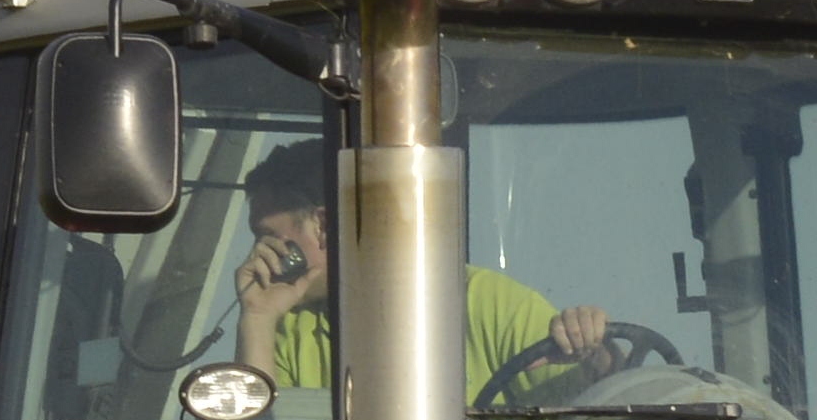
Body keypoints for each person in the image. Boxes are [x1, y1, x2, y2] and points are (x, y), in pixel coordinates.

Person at [232, 140, 621, 401]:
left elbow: (598, 407)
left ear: (324, 226)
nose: (259, 255)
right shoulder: (288, 329)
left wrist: (592, 349)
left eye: (267, 235)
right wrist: (258, 317)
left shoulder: (485, 300)